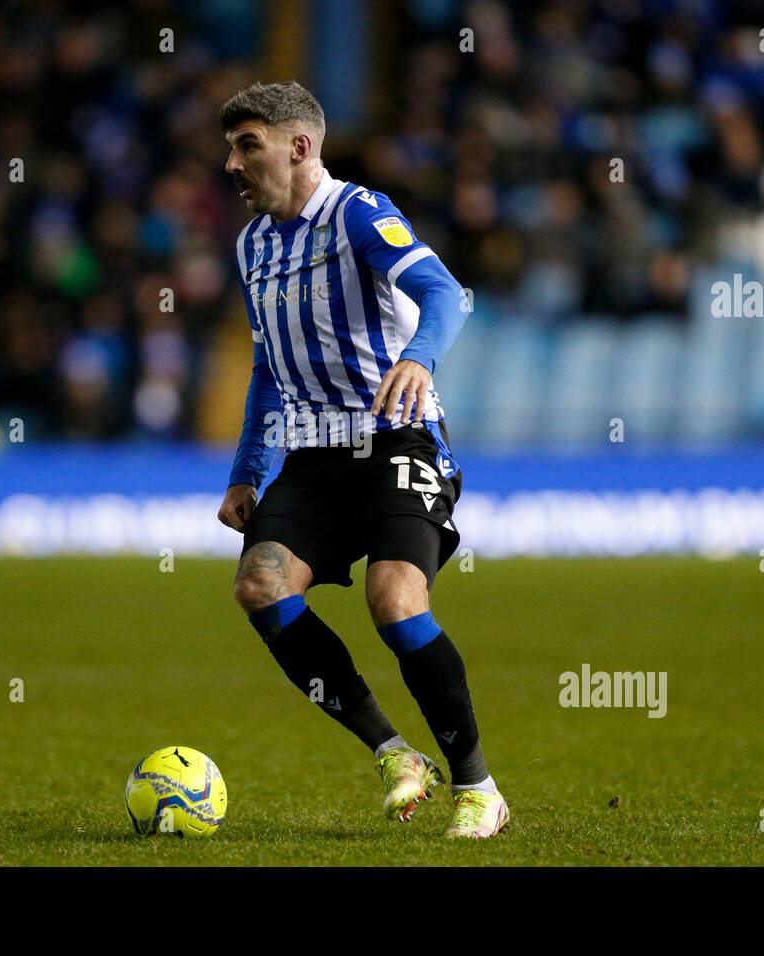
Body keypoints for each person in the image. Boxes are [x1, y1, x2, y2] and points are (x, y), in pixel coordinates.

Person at [215, 81, 508, 838]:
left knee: (395, 599)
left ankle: (479, 788)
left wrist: (417, 358)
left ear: (300, 146)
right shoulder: (251, 246)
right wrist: (248, 469)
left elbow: (444, 294)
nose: (232, 163)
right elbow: (267, 370)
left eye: (248, 145)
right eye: (231, 147)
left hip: (398, 440)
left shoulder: (358, 214)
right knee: (260, 586)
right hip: (313, 457)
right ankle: (394, 752)